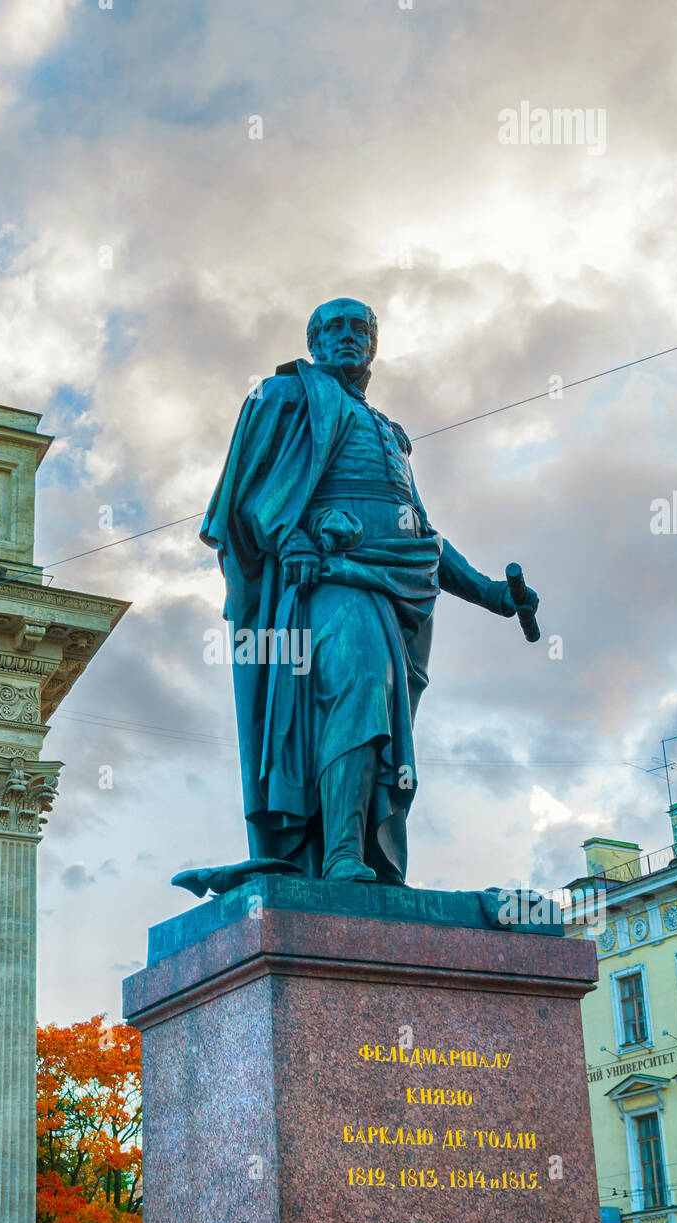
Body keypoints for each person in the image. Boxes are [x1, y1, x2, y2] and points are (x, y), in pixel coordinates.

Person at [201, 297, 539, 884]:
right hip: (331, 577)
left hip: (400, 589)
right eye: (333, 327)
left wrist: (490, 592)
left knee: (380, 704)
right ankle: (340, 855)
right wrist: (292, 537)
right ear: (313, 341)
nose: (348, 336)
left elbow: (421, 531)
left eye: (360, 328)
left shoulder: (389, 430)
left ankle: (358, 849)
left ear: (374, 342)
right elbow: (243, 495)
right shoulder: (284, 397)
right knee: (358, 683)